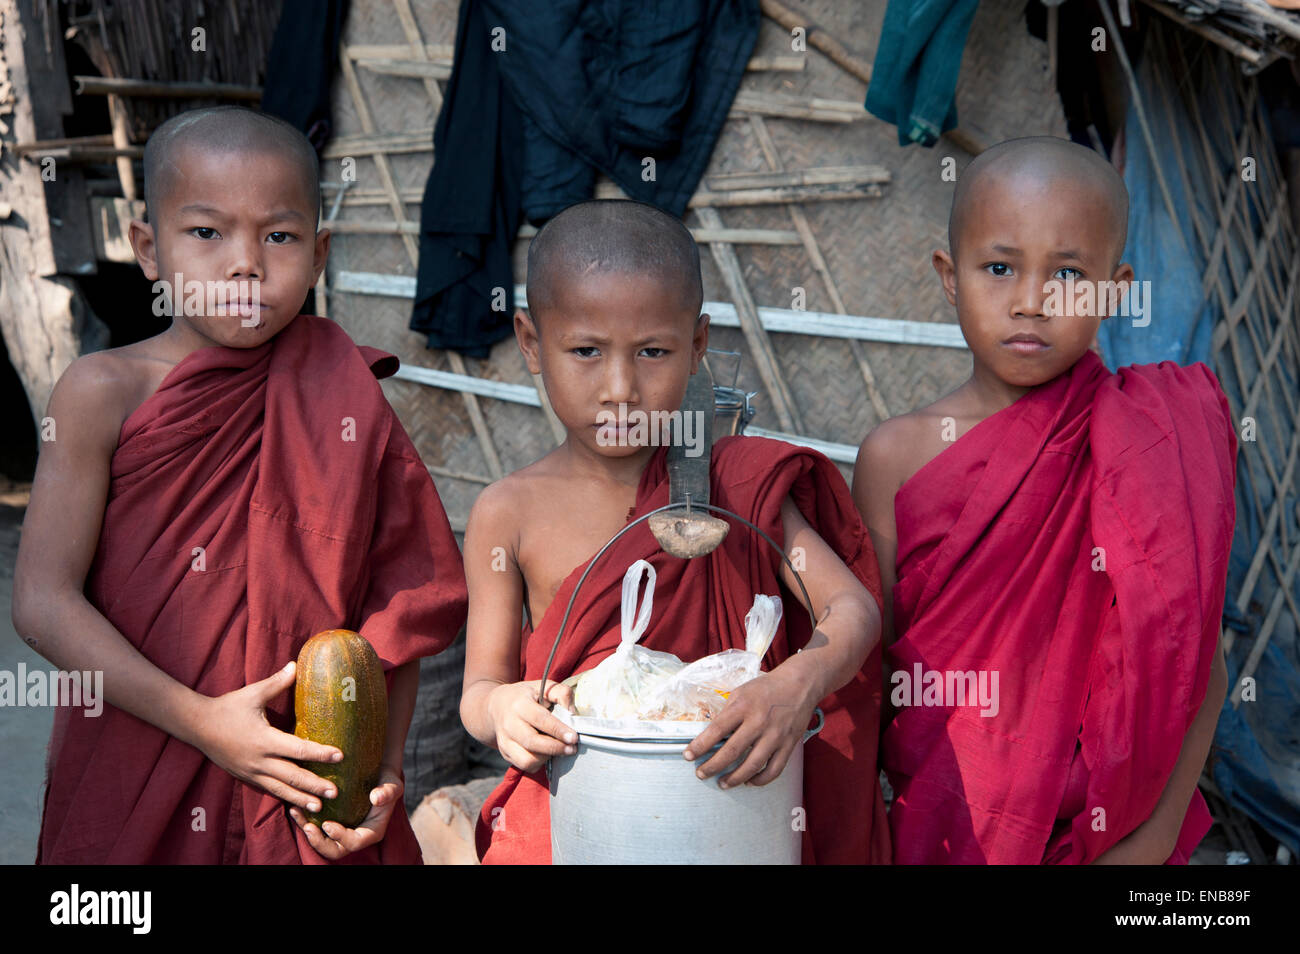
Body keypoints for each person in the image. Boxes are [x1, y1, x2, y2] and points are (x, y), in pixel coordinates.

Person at [12, 106, 467, 864]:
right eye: (207, 233)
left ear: (319, 254)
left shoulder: (344, 392)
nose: (245, 263)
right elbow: (41, 603)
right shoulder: (102, 392)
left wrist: (381, 773)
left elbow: (393, 615)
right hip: (139, 742)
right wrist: (205, 723)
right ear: (148, 249)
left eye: (280, 236)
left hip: (303, 785)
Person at [460, 199, 891, 864]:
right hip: (581, 798)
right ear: (529, 341)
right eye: (585, 351)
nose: (620, 387)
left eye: (653, 351)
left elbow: (852, 608)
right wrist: (503, 712)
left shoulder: (737, 483)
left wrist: (796, 683)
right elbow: (479, 690)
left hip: (727, 796)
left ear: (696, 346)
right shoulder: (507, 511)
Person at [852, 137, 1236, 864]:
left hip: (1107, 835)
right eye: (999, 268)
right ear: (949, 277)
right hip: (937, 818)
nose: (1030, 301)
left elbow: (1199, 672)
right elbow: (870, 667)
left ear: (1114, 289)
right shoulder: (897, 456)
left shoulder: (1152, 444)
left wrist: (1149, 844)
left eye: (1067, 274)